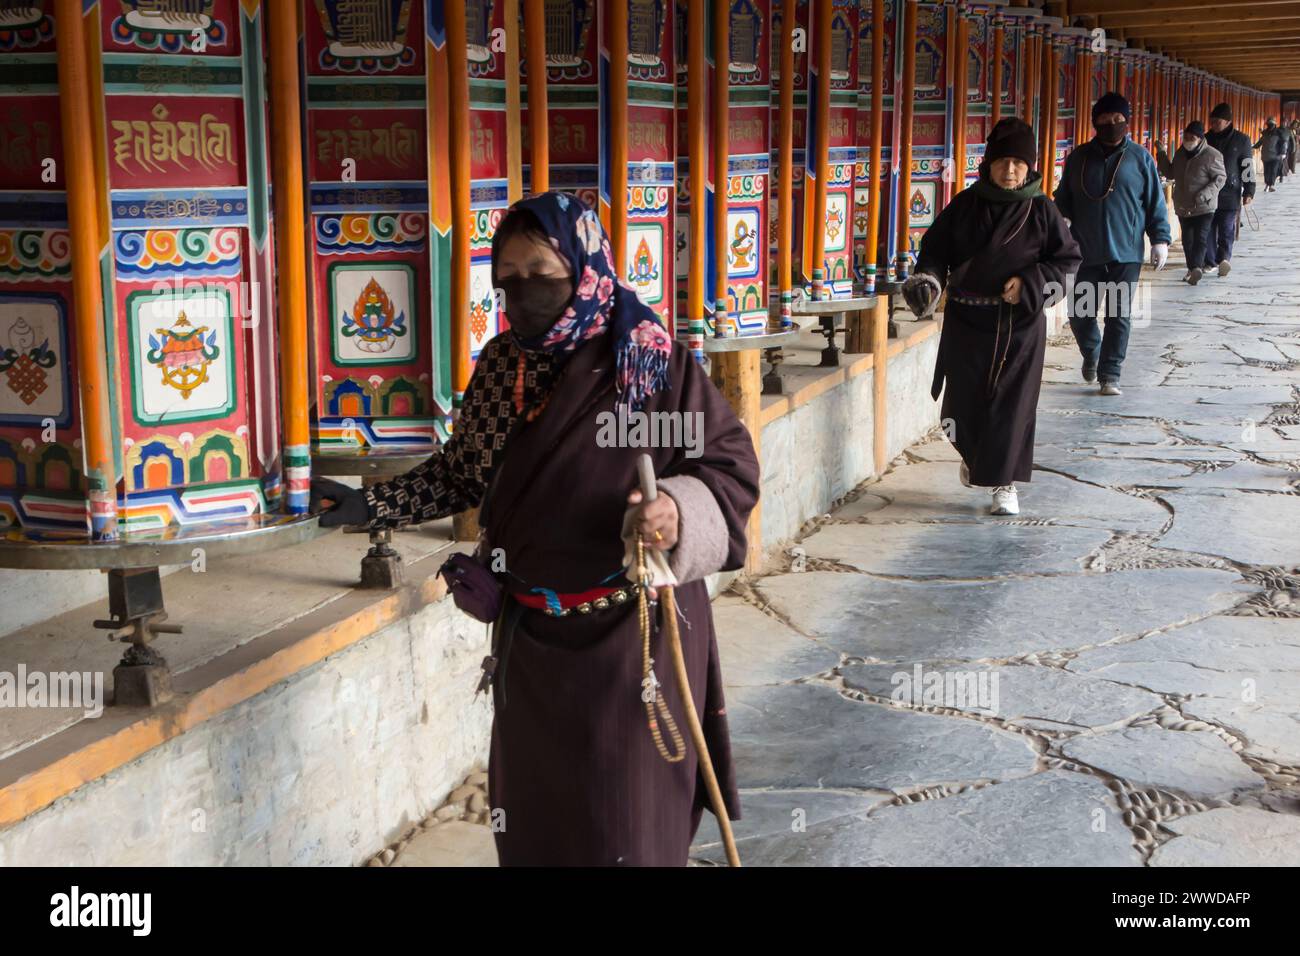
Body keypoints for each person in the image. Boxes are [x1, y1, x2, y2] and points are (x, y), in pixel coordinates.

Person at [310, 191, 760, 866]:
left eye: (542, 275)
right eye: (508, 280)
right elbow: (462, 474)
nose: (524, 293)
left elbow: (728, 465)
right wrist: (371, 505)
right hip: (532, 646)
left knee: (625, 833)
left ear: (584, 269)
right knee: (540, 833)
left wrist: (672, 507)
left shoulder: (645, 365)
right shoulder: (500, 369)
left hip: (631, 640)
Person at [901, 118, 1082, 517]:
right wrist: (929, 280)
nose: (1011, 170)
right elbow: (934, 252)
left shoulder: (1042, 210)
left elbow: (1067, 263)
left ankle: (1005, 484)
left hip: (1018, 328)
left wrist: (1031, 284)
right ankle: (976, 457)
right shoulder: (965, 205)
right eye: (1003, 161)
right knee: (964, 407)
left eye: (1019, 162)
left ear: (1030, 167)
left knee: (1010, 407)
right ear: (988, 163)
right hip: (967, 324)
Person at [1054, 92, 1170, 397]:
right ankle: (1093, 352)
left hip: (1127, 253)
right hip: (1084, 252)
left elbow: (1155, 202)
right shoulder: (1078, 157)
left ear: (1127, 122)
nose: (1112, 125)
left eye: (1118, 120)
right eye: (1105, 120)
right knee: (1080, 314)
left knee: (1119, 316)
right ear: (1095, 123)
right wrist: (1062, 221)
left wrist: (1160, 239)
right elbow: (1063, 197)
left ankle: (1110, 374)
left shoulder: (1141, 158)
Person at [1156, 121, 1226, 286]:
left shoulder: (1212, 155)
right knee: (1187, 240)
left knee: (1200, 238)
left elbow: (1220, 178)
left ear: (1200, 138)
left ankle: (1196, 268)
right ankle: (1192, 268)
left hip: (1204, 205)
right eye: (1185, 137)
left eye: (1191, 137)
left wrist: (1205, 194)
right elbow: (1170, 172)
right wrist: (1161, 153)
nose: (1187, 140)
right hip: (1184, 205)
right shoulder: (1181, 153)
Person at [1203, 102, 1255, 277]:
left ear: (1227, 122)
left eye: (1217, 121)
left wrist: (1249, 191)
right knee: (1208, 228)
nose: (1214, 125)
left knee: (1226, 228)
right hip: (1208, 192)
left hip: (1230, 192)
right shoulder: (1205, 139)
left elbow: (1247, 167)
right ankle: (1209, 261)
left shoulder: (1241, 140)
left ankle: (1224, 258)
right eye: (1212, 121)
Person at [1256, 118, 1286, 191]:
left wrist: (1253, 146)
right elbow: (1283, 143)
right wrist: (1282, 153)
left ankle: (1268, 185)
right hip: (1273, 156)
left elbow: (1259, 143)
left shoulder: (1265, 133)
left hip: (1269, 156)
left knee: (1268, 171)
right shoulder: (1278, 133)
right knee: (1271, 171)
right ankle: (1269, 185)